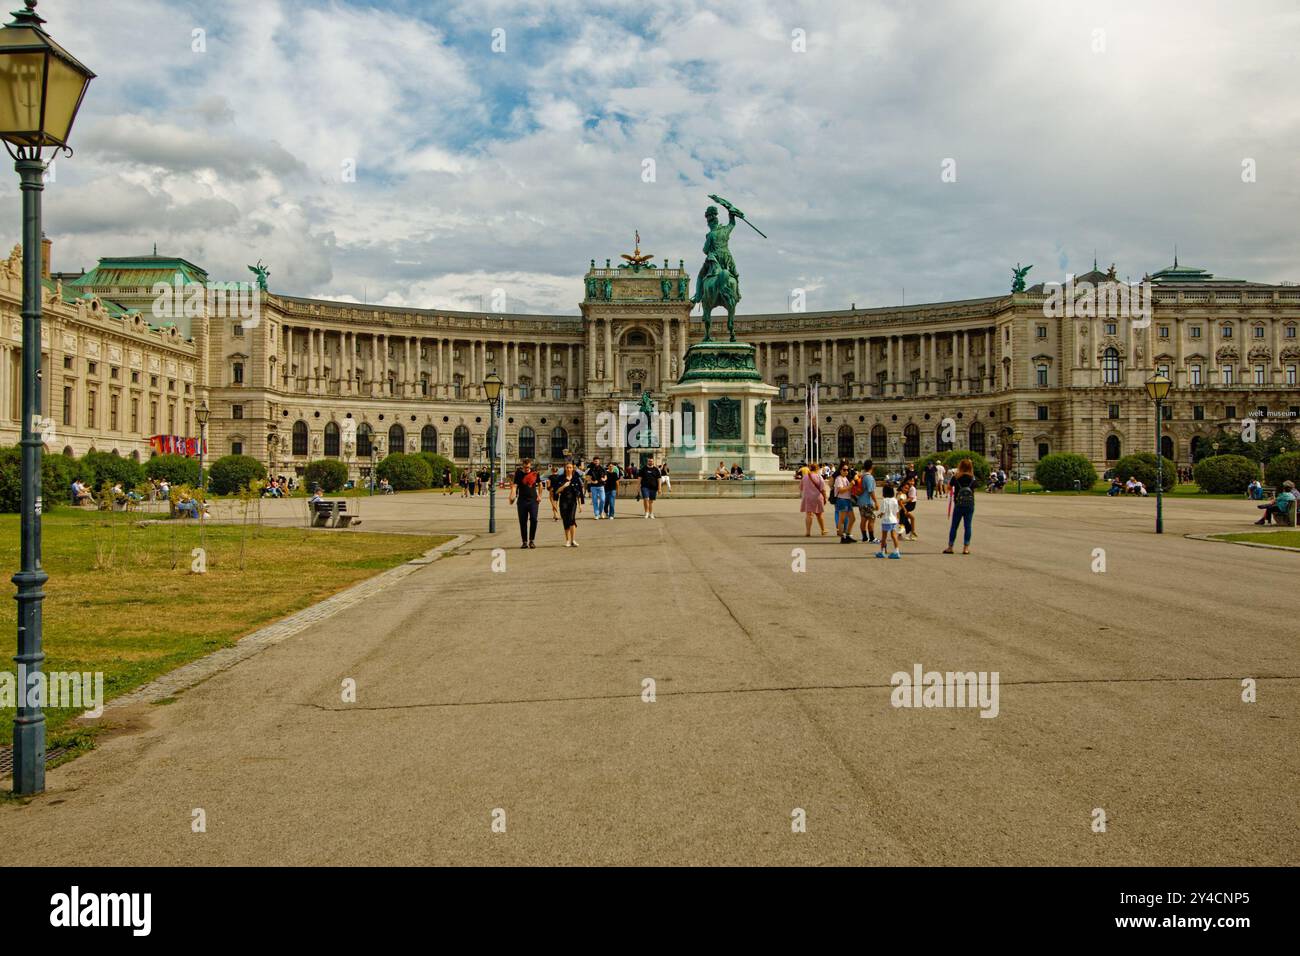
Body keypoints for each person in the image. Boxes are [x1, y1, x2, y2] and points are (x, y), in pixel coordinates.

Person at [944, 458, 977, 555]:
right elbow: (975, 486)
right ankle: (966, 548)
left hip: (958, 504)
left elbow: (948, 488)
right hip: (970, 504)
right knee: (968, 526)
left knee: (954, 526)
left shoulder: (956, 477)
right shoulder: (972, 478)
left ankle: (950, 547)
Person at [509, 457, 541, 548]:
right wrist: (512, 495)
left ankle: (532, 540)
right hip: (522, 501)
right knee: (523, 521)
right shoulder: (519, 474)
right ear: (523, 466)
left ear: (530, 465)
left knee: (534, 519)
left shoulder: (535, 473)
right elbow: (515, 486)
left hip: (533, 500)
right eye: (525, 467)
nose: (526, 469)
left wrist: (539, 495)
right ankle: (524, 541)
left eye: (527, 467)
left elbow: (540, 485)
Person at [556, 460, 585, 547]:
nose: (569, 469)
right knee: (566, 520)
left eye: (570, 467)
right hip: (563, 501)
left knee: (572, 519)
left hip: (573, 501)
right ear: (565, 468)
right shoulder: (560, 478)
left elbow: (579, 493)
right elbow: (556, 491)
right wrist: (563, 486)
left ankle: (573, 540)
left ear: (573, 468)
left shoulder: (576, 478)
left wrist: (580, 505)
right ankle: (567, 540)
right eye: (567, 467)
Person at [800, 459, 828, 536]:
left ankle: (808, 532)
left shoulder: (805, 477)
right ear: (817, 469)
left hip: (807, 497)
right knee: (819, 514)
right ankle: (823, 530)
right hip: (817, 497)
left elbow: (801, 488)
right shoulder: (819, 477)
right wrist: (825, 498)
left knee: (809, 514)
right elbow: (823, 489)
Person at [875, 483, 902, 559]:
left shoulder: (885, 500)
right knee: (894, 536)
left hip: (886, 520)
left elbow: (883, 511)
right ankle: (897, 551)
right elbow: (897, 511)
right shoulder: (895, 500)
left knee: (884, 537)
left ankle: (882, 551)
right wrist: (898, 519)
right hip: (893, 520)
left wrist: (879, 515)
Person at [856, 459, 879, 543]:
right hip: (867, 501)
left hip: (861, 501)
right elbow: (870, 491)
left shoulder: (862, 476)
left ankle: (865, 537)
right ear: (871, 467)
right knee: (872, 519)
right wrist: (876, 502)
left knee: (863, 519)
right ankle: (872, 538)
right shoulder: (869, 477)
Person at [832, 462, 856, 543]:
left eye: (847, 470)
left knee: (852, 519)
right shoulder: (838, 478)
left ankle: (847, 534)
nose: (846, 471)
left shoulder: (845, 478)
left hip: (847, 500)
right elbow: (841, 490)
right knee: (842, 519)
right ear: (840, 470)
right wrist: (850, 486)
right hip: (842, 500)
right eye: (844, 469)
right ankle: (843, 537)